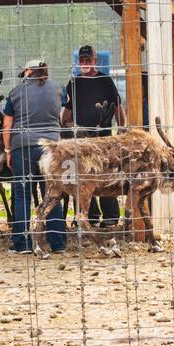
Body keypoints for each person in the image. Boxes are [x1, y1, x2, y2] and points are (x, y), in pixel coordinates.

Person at [2, 58, 64, 254]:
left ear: (28, 71)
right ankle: (58, 242)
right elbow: (64, 108)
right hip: (51, 147)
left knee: (21, 194)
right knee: (52, 192)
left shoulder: (15, 93)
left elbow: (7, 125)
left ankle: (22, 243)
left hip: (23, 145)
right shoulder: (58, 89)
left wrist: (7, 150)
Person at [61, 44, 125, 228]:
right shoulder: (74, 82)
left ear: (95, 61)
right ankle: (91, 214)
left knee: (105, 174)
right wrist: (66, 125)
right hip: (81, 139)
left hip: (103, 137)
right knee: (84, 176)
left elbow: (117, 106)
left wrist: (122, 128)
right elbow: (67, 111)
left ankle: (111, 215)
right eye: (82, 60)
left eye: (88, 60)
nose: (85, 63)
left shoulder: (105, 80)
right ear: (78, 62)